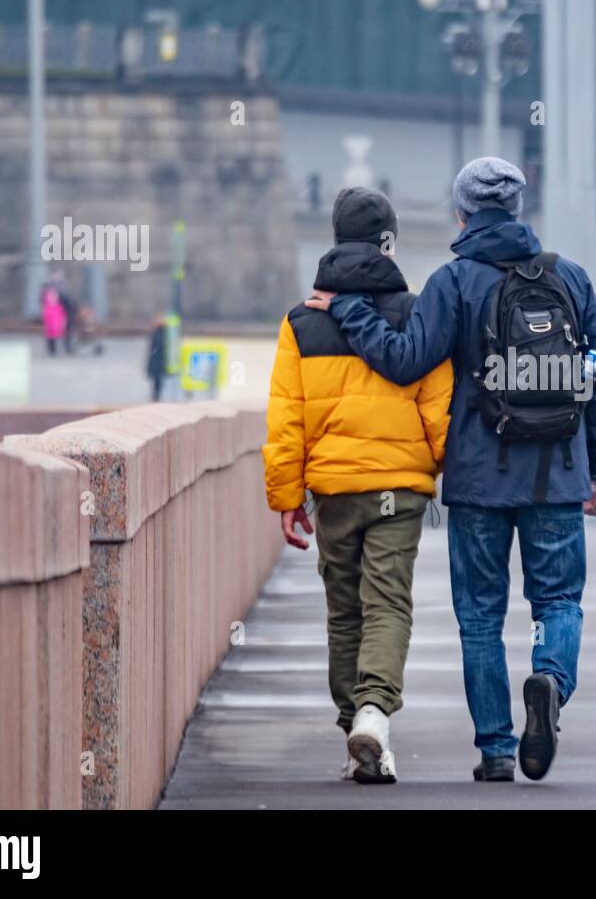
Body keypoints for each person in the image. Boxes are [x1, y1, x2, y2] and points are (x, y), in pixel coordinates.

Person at [308, 157, 596, 783]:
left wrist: (348, 310)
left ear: (461, 213)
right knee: (558, 599)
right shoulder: (572, 280)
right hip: (558, 472)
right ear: (518, 208)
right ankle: (551, 683)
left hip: (479, 478)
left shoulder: (453, 283)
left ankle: (498, 750)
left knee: (480, 615)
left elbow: (403, 360)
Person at [263, 186, 453, 783]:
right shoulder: (416, 311)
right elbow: (437, 407)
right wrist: (444, 470)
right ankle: (374, 711)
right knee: (388, 602)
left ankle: (357, 730)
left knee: (344, 610)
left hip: (335, 490)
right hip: (399, 489)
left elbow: (286, 418)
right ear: (388, 242)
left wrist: (286, 497)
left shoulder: (300, 322)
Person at [40, 283, 67, 356]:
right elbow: (45, 316)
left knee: (56, 339)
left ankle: (54, 350)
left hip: (56, 326)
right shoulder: (47, 307)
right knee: (50, 339)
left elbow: (62, 315)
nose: (53, 299)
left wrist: (63, 323)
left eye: (54, 298)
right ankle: (51, 350)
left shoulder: (58, 307)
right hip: (49, 327)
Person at [145, 315, 167, 401]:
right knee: (157, 383)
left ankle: (156, 398)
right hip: (158, 363)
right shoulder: (160, 334)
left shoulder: (156, 333)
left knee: (158, 383)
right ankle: (156, 398)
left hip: (158, 363)